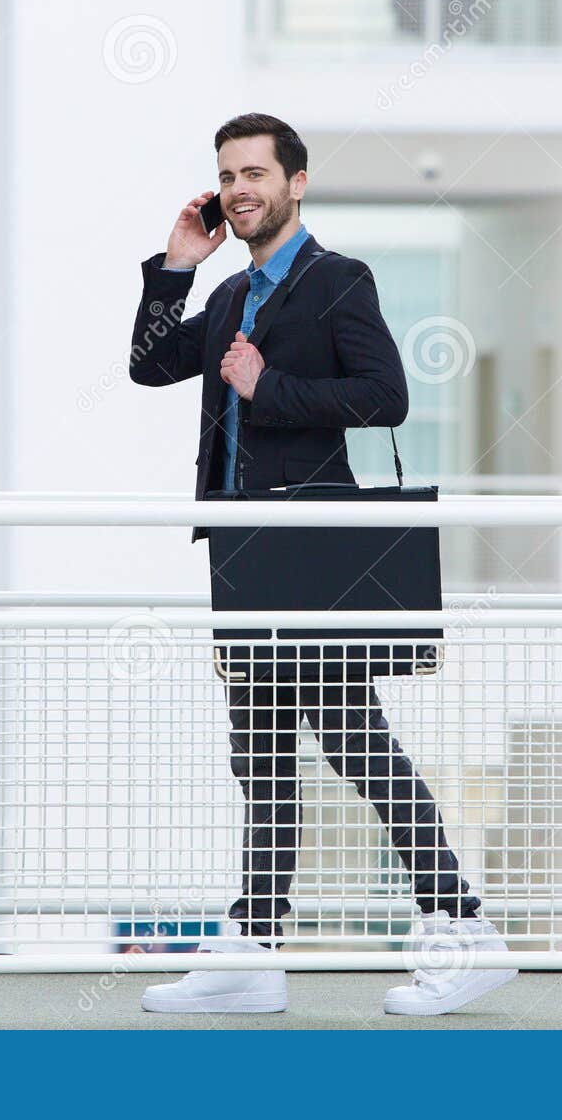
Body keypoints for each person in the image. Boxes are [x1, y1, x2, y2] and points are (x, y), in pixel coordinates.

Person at [127, 112, 515, 1016]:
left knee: (354, 744)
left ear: (296, 183)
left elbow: (386, 396)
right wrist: (178, 266)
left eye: (255, 173)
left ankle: (464, 929)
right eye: (227, 176)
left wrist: (270, 391)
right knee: (258, 755)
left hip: (309, 550)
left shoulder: (339, 281)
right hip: (239, 550)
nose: (238, 190)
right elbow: (149, 365)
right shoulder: (224, 293)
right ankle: (255, 950)